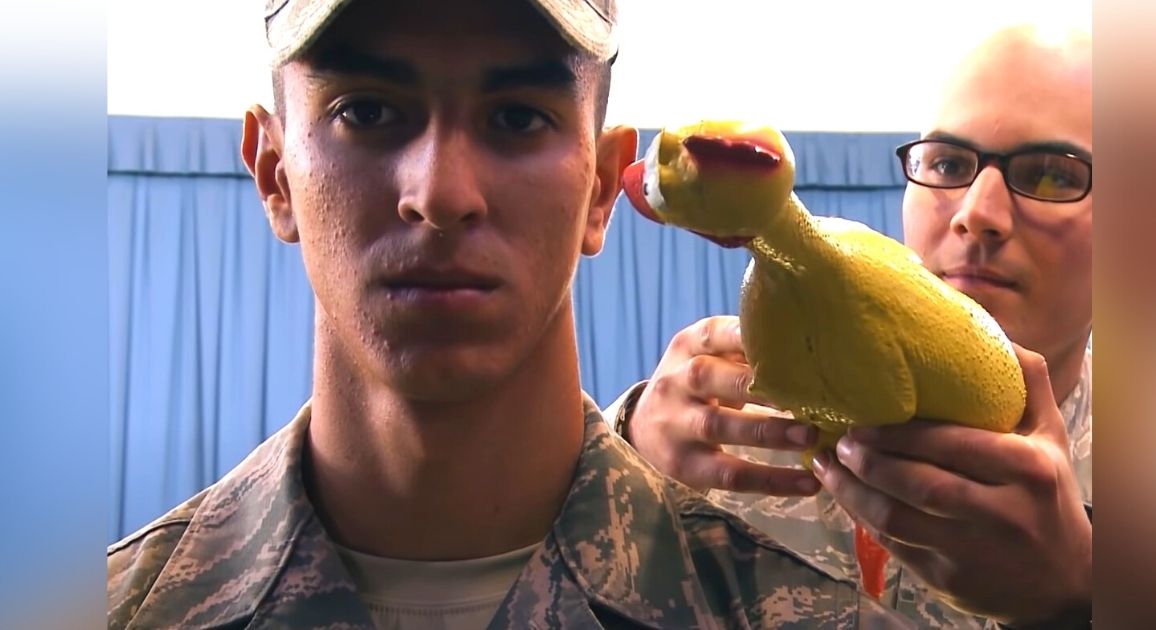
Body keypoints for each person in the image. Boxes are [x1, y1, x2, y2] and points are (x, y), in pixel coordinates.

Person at [106, 0, 917, 627]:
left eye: (518, 117)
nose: (441, 194)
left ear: (601, 190)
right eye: (366, 111)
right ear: (275, 175)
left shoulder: (802, 616)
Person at [605, 24, 1093, 630]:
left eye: (1052, 175)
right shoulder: (737, 416)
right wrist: (624, 453)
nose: (977, 214)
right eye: (946, 163)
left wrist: (1080, 596)